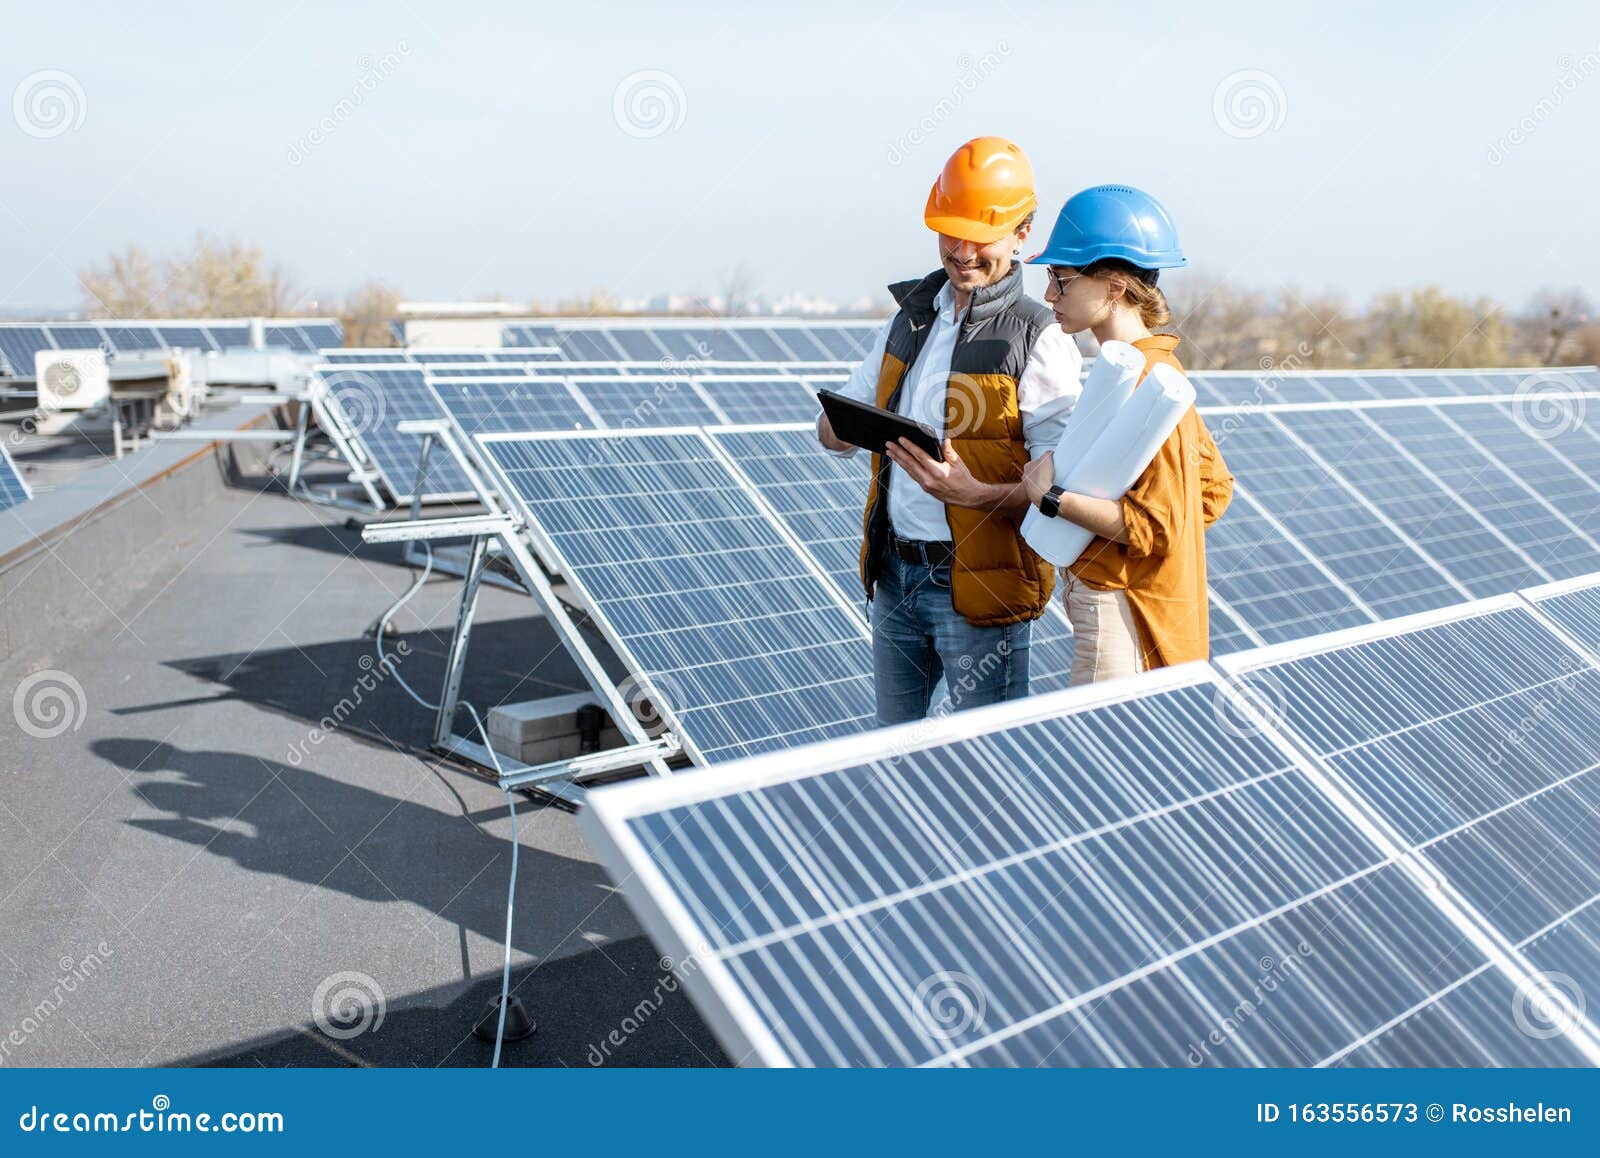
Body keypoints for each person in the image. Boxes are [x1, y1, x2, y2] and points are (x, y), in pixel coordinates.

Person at [817, 136, 1082, 724]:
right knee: (892, 753)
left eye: (979, 236)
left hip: (978, 586)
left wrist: (975, 496)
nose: (962, 251)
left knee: (982, 768)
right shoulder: (911, 316)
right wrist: (839, 428)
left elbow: (1064, 488)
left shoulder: (1040, 336)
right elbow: (837, 424)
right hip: (893, 575)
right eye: (949, 232)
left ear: (1022, 234)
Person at [1022, 185, 1233, 684]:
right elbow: (1211, 492)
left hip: (1122, 621)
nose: (1049, 294)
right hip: (1128, 609)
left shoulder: (1147, 384)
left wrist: (1050, 498)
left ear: (1115, 285)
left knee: (1100, 760)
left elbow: (1158, 528)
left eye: (1061, 279)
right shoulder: (1153, 372)